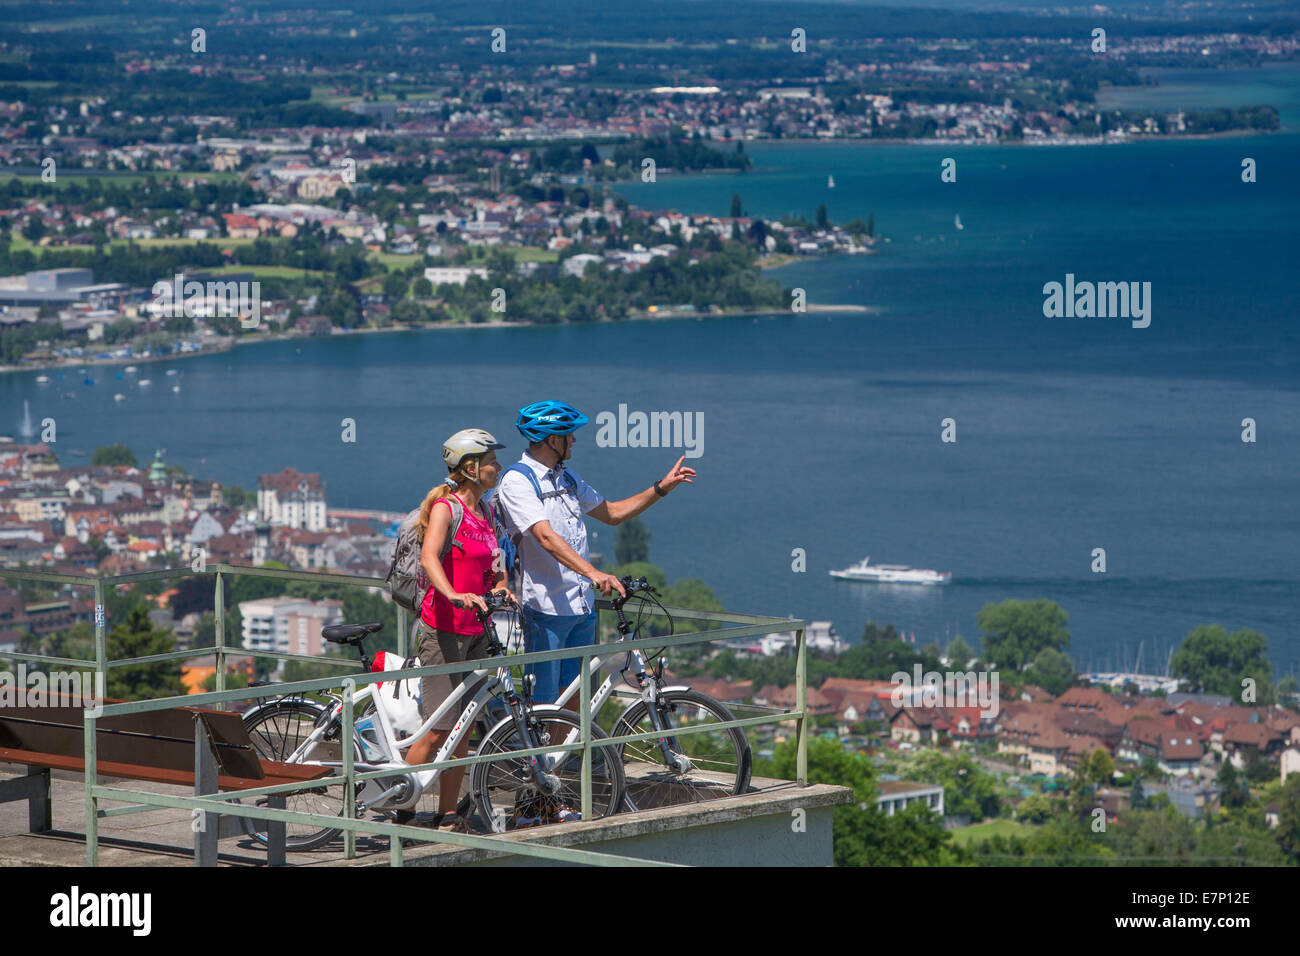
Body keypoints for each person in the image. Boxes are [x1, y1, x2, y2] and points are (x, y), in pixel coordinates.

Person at [493, 400, 696, 712]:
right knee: (544, 701)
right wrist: (594, 573)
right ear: (552, 440)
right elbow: (545, 537)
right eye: (569, 434)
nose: (574, 439)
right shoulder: (518, 481)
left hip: (581, 607)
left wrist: (661, 488)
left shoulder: (566, 477)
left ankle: (559, 761)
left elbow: (612, 513)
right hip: (546, 609)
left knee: (575, 695)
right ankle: (538, 761)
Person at [401, 427, 510, 833]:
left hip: (477, 632)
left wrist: (500, 586)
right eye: (491, 461)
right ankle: (404, 807)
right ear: (470, 467)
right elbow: (430, 558)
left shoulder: (488, 512)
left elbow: (494, 558)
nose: (497, 467)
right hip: (443, 630)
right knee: (436, 730)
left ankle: (448, 814)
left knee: (465, 727)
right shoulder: (448, 509)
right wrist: (453, 593)